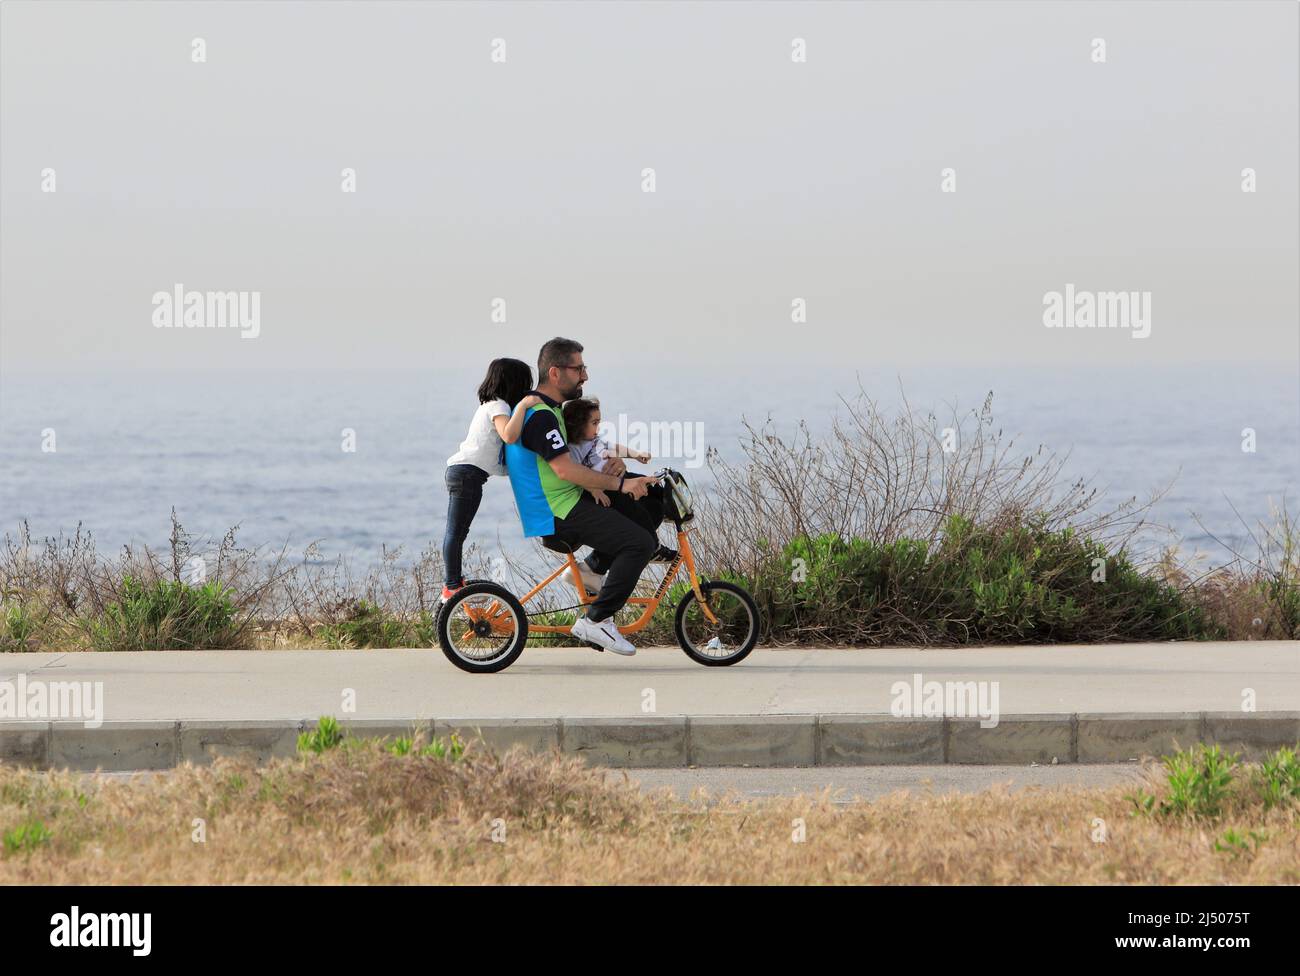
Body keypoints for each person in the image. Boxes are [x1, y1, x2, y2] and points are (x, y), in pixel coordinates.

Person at [504, 337, 658, 656]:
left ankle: (593, 568)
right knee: (639, 543)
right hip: (557, 512)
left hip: (570, 498)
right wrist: (619, 486)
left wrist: (615, 468)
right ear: (556, 372)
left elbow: (579, 459)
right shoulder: (542, 416)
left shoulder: (553, 411)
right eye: (579, 369)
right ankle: (596, 620)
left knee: (650, 497)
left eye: (584, 368)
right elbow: (564, 471)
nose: (585, 376)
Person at [442, 358, 541, 601]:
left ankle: (453, 583)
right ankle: (452, 586)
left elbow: (501, 460)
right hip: (467, 474)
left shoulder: (489, 405)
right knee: (456, 532)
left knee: (457, 532)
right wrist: (525, 405)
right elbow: (508, 436)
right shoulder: (499, 407)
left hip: (466, 473)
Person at [561, 396, 676, 563]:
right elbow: (577, 474)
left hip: (622, 479)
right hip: (608, 488)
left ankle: (668, 512)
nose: (598, 428)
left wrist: (636, 454)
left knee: (653, 485)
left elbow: (615, 447)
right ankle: (654, 548)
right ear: (578, 424)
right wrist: (595, 490)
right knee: (638, 513)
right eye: (594, 423)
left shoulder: (595, 440)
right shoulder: (573, 449)